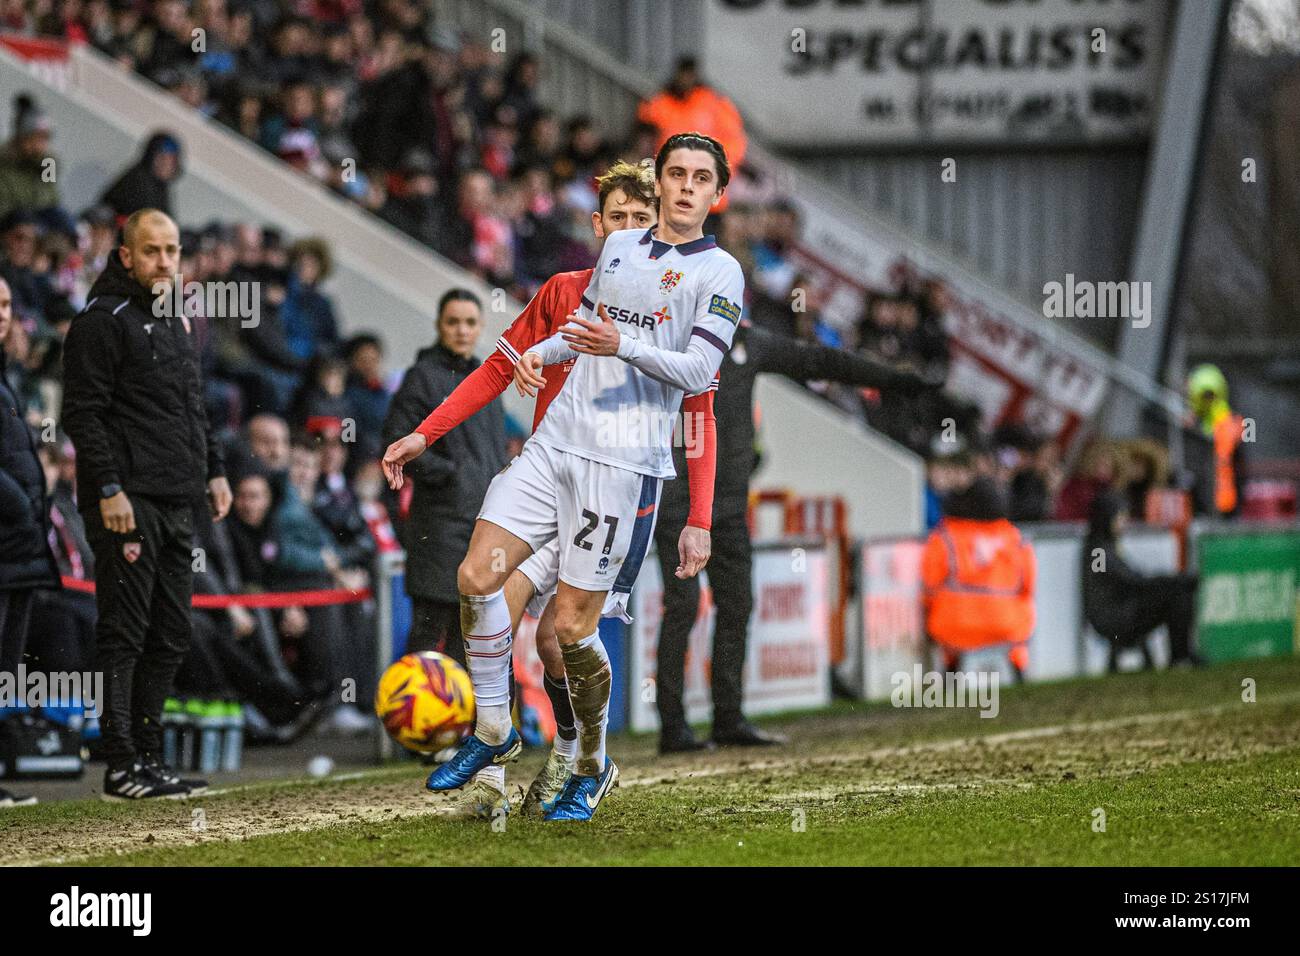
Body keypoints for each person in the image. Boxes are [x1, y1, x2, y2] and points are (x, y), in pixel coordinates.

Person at [385, 132, 742, 821]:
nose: (680, 191)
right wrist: (528, 358)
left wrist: (698, 517)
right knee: (477, 580)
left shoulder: (717, 274)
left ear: (716, 194)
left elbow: (699, 391)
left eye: (700, 178)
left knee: (563, 637)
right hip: (551, 454)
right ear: (600, 221)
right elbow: (563, 338)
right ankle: (492, 738)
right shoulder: (596, 268)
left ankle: (584, 760)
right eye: (674, 176)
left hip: (620, 472)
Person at [654, 316, 930, 753]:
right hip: (679, 506)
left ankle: (728, 718)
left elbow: (819, 359)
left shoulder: (747, 343)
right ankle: (673, 728)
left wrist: (892, 380)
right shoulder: (674, 342)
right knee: (683, 607)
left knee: (737, 605)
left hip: (726, 508)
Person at [61, 209, 232, 800]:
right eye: (152, 251)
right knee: (125, 635)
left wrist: (214, 470)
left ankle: (150, 759)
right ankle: (120, 764)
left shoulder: (175, 320)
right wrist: (108, 490)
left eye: (172, 250)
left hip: (177, 499)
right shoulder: (100, 322)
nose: (165, 262)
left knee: (171, 631)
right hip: (127, 502)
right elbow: (81, 414)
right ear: (126, 256)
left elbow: (191, 405)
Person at [381, 289, 507, 667]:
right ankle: (405, 720)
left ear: (481, 326)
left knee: (466, 635)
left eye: (469, 322)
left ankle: (452, 722)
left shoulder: (489, 378)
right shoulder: (421, 379)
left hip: (480, 526)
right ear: (439, 325)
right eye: (453, 322)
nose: (462, 330)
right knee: (428, 628)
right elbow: (396, 443)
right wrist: (452, 476)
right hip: (436, 527)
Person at [0, 276, 61, 809]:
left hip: (18, 551)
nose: (2, 315)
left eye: (5, 305)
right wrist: (21, 506)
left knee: (5, 666)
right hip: (9, 540)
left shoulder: (8, 378)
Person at [921, 456, 1036, 680]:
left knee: (946, 631)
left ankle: (949, 677)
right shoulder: (1014, 538)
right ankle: (1019, 674)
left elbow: (930, 583)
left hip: (955, 626)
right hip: (1007, 624)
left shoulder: (946, 536)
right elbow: (1028, 584)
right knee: (1020, 624)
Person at [1082, 491, 1200, 670]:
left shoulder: (1104, 546)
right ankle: (1180, 656)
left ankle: (1181, 654)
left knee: (1179, 593)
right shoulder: (1098, 551)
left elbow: (1127, 578)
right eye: (1119, 518)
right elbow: (1125, 580)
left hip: (1122, 609)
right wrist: (1171, 582)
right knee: (1177, 595)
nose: (1123, 523)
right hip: (1114, 616)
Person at [637, 59, 746, 217]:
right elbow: (643, 137)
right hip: (671, 192)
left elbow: (735, 140)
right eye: (683, 75)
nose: (685, 80)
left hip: (706, 195)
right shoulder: (661, 102)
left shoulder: (713, 102)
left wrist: (722, 171)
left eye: (689, 75)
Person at [1185, 363, 1245, 519]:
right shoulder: (1198, 422)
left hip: (1224, 501)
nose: (1207, 401)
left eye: (1210, 395)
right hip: (1203, 500)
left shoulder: (1229, 421)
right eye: (1204, 396)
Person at [99, 131, 183, 219]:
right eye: (162, 158)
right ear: (150, 157)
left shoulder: (159, 186)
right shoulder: (138, 181)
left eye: (171, 161)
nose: (166, 166)